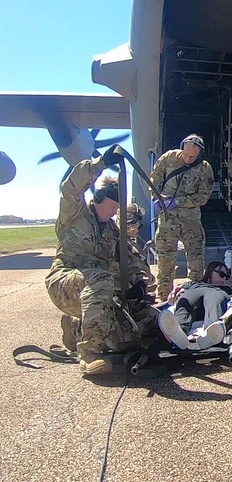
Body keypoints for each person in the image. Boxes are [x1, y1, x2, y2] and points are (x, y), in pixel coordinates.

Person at [44, 151, 160, 375]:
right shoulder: (74, 213)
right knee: (102, 278)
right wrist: (101, 164)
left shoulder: (113, 231)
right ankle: (89, 354)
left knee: (129, 338)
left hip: (95, 291)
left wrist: (139, 283)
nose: (116, 211)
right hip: (64, 283)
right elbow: (71, 187)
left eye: (119, 207)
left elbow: (131, 259)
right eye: (113, 205)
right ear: (99, 198)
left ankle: (76, 329)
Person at [150, 134, 215, 301]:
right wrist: (156, 197)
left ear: (199, 154)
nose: (188, 159)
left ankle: (194, 295)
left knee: (195, 257)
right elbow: (155, 177)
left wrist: (179, 201)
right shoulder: (169, 158)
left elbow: (203, 196)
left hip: (190, 218)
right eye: (186, 155)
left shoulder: (204, 168)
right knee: (165, 257)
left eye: (192, 157)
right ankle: (164, 297)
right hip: (168, 217)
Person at [157, 261, 232, 350]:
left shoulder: (226, 289)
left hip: (216, 291)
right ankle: (179, 333)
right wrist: (174, 294)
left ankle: (211, 333)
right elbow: (172, 299)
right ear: (210, 272)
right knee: (184, 300)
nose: (224, 278)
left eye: (226, 276)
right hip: (196, 288)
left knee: (214, 300)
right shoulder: (193, 284)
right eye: (221, 274)